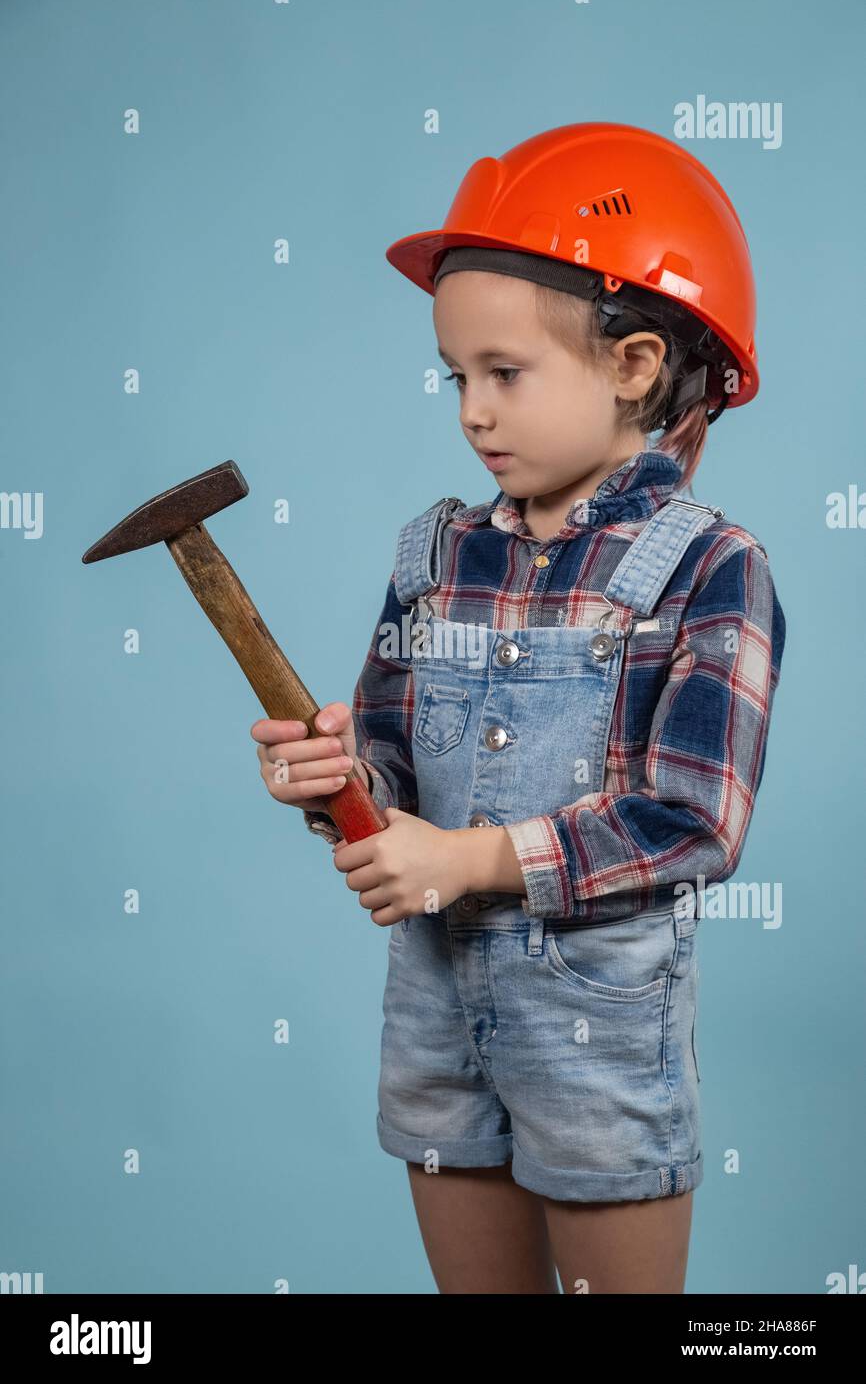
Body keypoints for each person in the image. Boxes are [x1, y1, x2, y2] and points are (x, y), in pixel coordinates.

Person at [251, 123, 786, 1294]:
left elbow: (691, 821)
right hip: (439, 1016)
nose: (470, 413)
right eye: (457, 376)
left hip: (595, 1043)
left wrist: (471, 857)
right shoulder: (434, 556)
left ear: (635, 364)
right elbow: (388, 768)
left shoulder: (707, 571)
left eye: (505, 373)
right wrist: (336, 781)